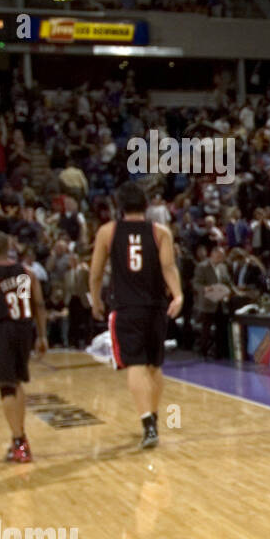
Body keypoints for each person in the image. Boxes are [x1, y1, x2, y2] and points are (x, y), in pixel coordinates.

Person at [90, 181, 184, 449]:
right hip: (155, 306)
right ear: (146, 205)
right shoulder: (160, 232)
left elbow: (96, 272)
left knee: (136, 365)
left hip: (126, 307)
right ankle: (153, 417)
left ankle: (147, 424)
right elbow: (168, 267)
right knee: (155, 366)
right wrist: (178, 295)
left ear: (119, 206)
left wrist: (95, 300)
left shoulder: (107, 231)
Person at [0, 231, 46, 462]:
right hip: (24, 330)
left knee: (6, 386)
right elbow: (39, 305)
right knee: (16, 383)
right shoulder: (28, 273)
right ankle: (20, 437)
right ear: (9, 247)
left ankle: (19, 443)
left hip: (1, 330)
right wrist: (43, 336)